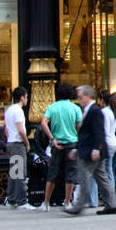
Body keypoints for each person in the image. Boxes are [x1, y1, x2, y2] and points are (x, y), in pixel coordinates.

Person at [64, 85, 116, 216]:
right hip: (90, 150)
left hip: (91, 152)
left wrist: (96, 149)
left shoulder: (95, 111)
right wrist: (77, 148)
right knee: (102, 178)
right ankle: (112, 204)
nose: (79, 100)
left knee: (83, 178)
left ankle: (78, 206)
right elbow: (85, 134)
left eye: (81, 97)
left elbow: (99, 132)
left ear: (88, 96)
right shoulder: (89, 110)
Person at [38, 82, 78, 212]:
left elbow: (43, 122)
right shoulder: (75, 108)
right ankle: (67, 201)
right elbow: (79, 126)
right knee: (70, 174)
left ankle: (46, 202)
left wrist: (52, 138)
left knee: (52, 173)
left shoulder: (52, 107)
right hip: (72, 143)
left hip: (57, 144)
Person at [3, 86, 32, 210]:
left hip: (11, 142)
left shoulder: (9, 110)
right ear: (21, 97)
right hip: (17, 143)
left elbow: (6, 129)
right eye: (26, 97)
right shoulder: (19, 111)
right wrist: (26, 143)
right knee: (20, 173)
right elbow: (21, 129)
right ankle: (22, 201)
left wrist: (10, 139)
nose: (27, 99)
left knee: (14, 173)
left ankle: (12, 199)